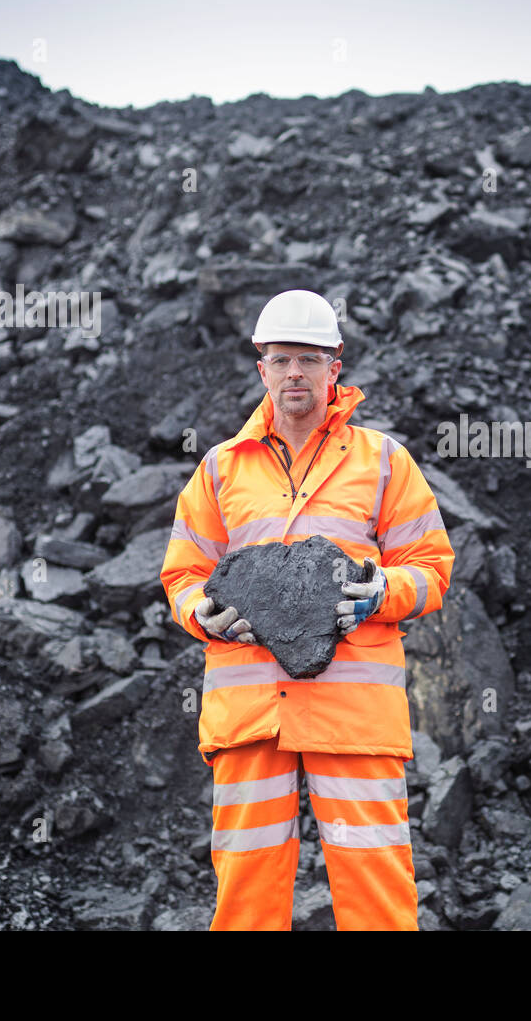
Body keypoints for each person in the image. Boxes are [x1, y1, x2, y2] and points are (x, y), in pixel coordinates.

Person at [160, 289, 454, 931]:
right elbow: (183, 571)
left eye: (310, 359)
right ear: (261, 368)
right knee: (246, 896)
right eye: (282, 359)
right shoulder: (220, 469)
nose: (296, 372)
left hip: (353, 712)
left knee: (377, 891)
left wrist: (382, 593)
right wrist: (198, 613)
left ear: (335, 367)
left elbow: (433, 570)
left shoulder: (383, 463)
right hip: (251, 712)